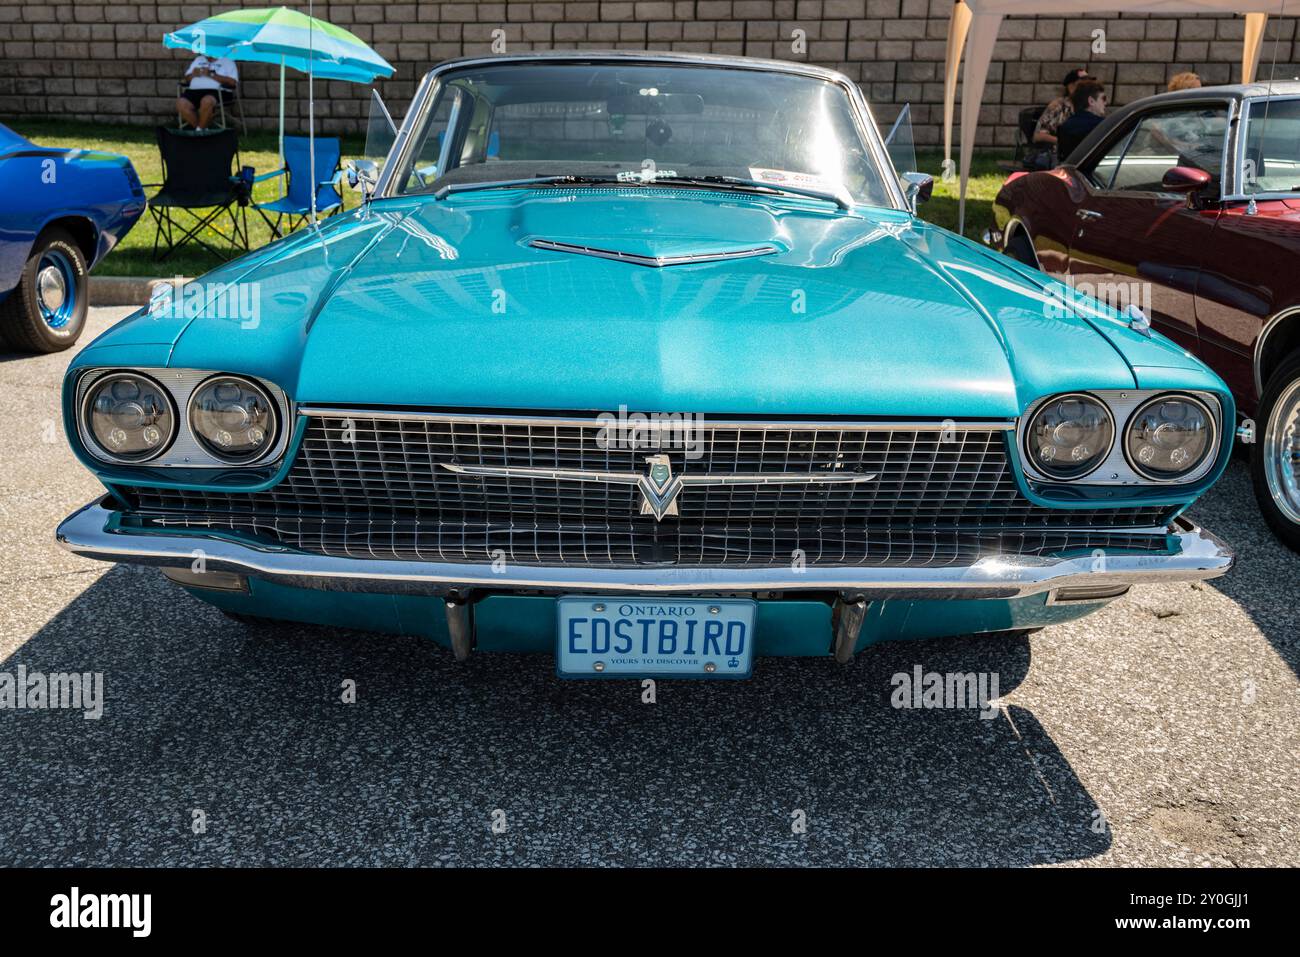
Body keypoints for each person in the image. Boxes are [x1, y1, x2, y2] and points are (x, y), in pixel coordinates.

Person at [1028, 68, 1094, 167]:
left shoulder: (1089, 106)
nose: (1088, 86)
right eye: (1084, 81)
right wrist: (1063, 141)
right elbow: (1038, 136)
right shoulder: (1058, 106)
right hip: (1059, 157)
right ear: (1071, 86)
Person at [176, 54, 239, 130]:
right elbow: (187, 78)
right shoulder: (199, 59)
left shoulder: (228, 60)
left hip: (218, 92)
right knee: (181, 104)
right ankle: (201, 130)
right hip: (194, 91)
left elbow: (232, 82)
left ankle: (200, 132)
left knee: (207, 101)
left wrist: (211, 74)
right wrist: (193, 74)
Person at [1056, 80, 1107, 161]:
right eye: (1103, 98)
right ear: (1091, 101)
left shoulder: (1065, 125)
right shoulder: (1103, 125)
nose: (1105, 103)